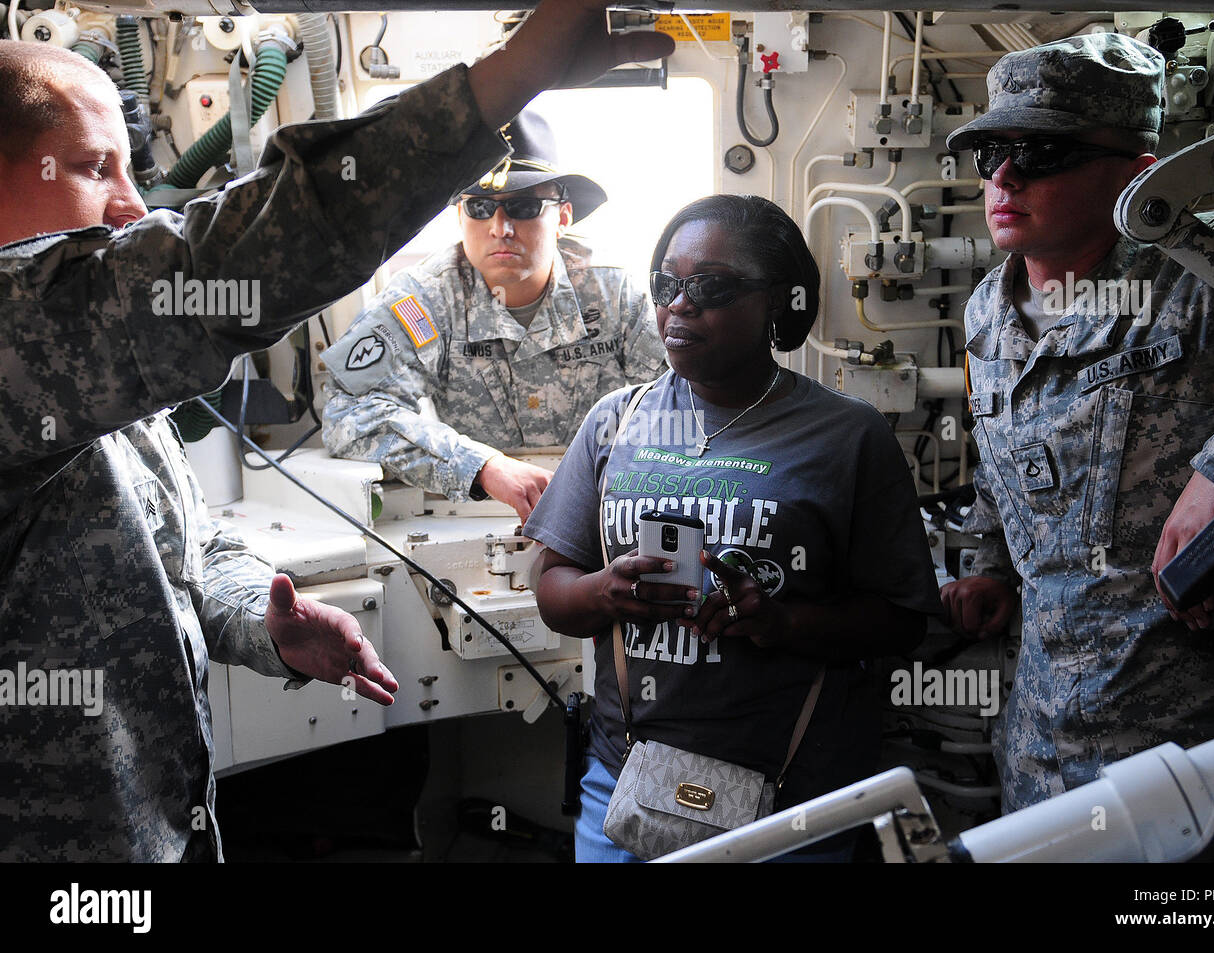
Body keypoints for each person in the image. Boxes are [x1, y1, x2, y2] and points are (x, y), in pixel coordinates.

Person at [0, 2, 673, 861]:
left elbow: (190, 548)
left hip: (149, 828)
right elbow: (242, 256)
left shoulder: (77, 373)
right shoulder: (20, 336)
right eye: (96, 168)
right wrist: (504, 80)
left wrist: (264, 623)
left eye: (131, 169)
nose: (134, 209)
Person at [938, 32, 1214, 812]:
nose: (1003, 176)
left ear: (1138, 174)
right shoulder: (987, 312)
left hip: (1201, 746)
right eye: (990, 152)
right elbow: (1009, 459)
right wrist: (991, 563)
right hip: (1040, 748)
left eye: (1040, 152)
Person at [524, 195, 942, 861]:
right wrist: (607, 591)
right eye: (666, 284)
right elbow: (551, 587)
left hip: (796, 792)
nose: (680, 305)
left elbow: (901, 620)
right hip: (627, 777)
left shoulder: (847, 434)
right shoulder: (616, 420)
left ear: (776, 301)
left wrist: (780, 624)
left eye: (711, 286)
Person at [320, 110, 666, 524]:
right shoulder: (427, 298)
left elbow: (687, 400)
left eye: (522, 206)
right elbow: (349, 413)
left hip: (605, 505)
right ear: (460, 216)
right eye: (481, 208)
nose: (500, 227)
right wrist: (483, 467)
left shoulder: (615, 296)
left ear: (563, 216)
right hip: (473, 510)